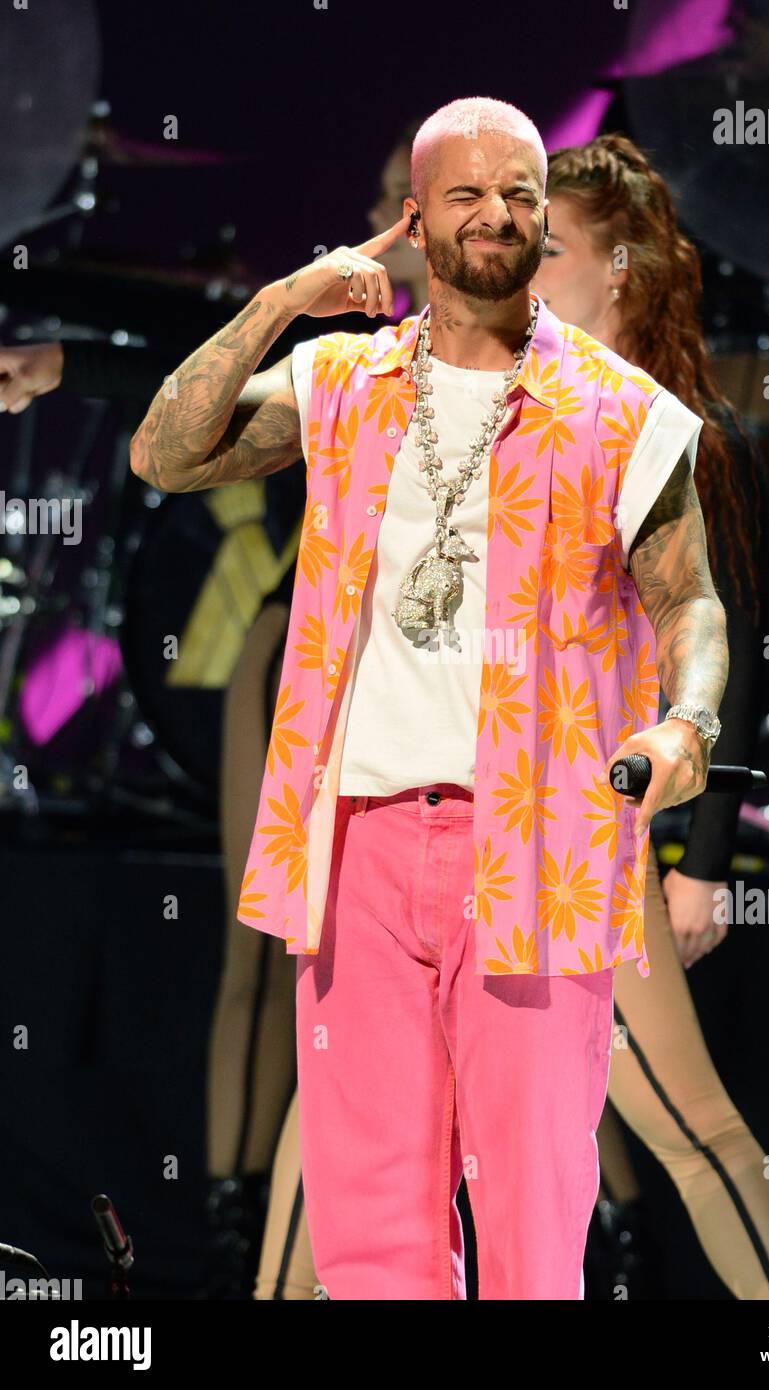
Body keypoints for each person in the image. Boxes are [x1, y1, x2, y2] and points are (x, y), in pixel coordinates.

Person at [130, 95, 726, 1301]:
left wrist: (689, 721)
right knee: (371, 1246)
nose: (500, 214)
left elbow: (692, 603)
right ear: (416, 217)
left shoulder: (618, 409)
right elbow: (164, 452)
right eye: (467, 193)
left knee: (529, 1236)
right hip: (356, 852)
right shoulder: (342, 380)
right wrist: (288, 297)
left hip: (540, 846)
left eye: (521, 193)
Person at [531, 132, 769, 1299]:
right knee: (382, 1111)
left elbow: (733, 650)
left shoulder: (672, 426)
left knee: (695, 1127)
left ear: (624, 271)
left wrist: (703, 862)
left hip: (591, 824)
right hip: (484, 808)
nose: (522, 265)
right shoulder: (523, 403)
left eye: (549, 247)